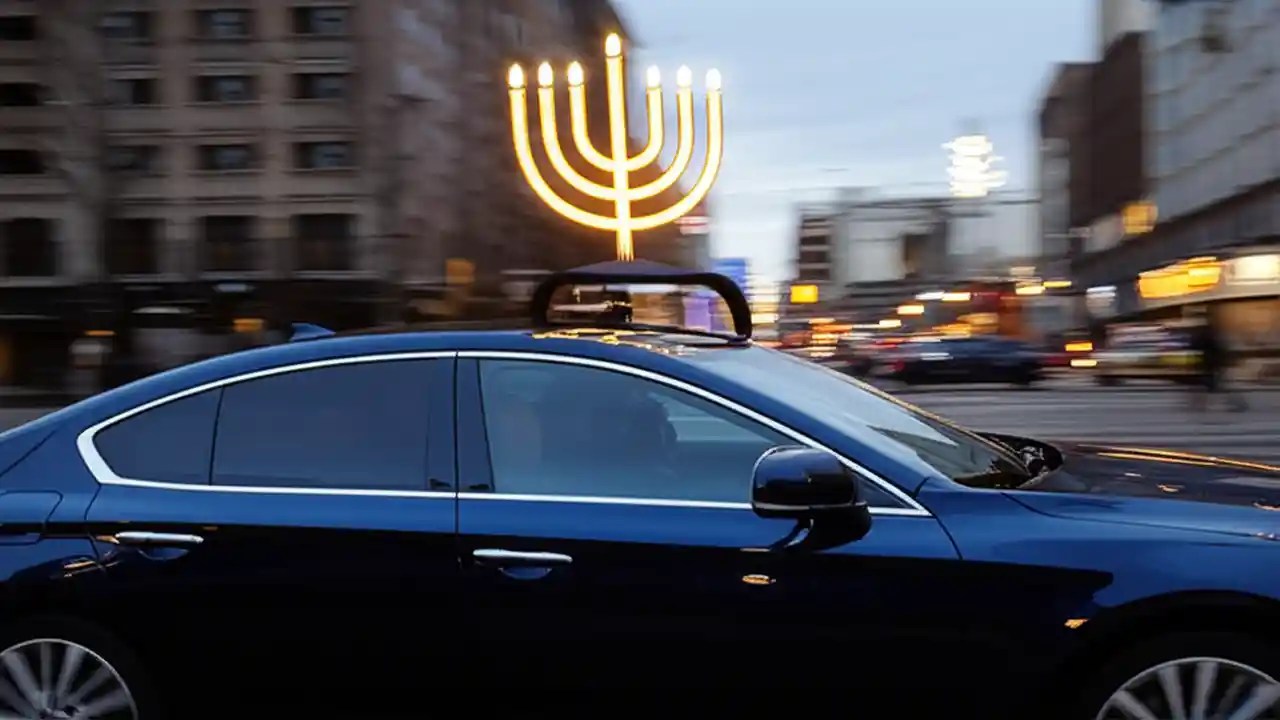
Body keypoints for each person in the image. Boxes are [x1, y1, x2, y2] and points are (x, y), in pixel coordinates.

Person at [1187, 305, 1246, 412]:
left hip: (1209, 363)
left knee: (1210, 385)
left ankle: (1198, 405)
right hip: (1214, 363)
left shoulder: (1206, 332)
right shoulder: (1214, 331)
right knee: (1213, 385)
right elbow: (1219, 347)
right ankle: (1237, 403)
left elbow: (1198, 344)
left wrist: (1193, 345)